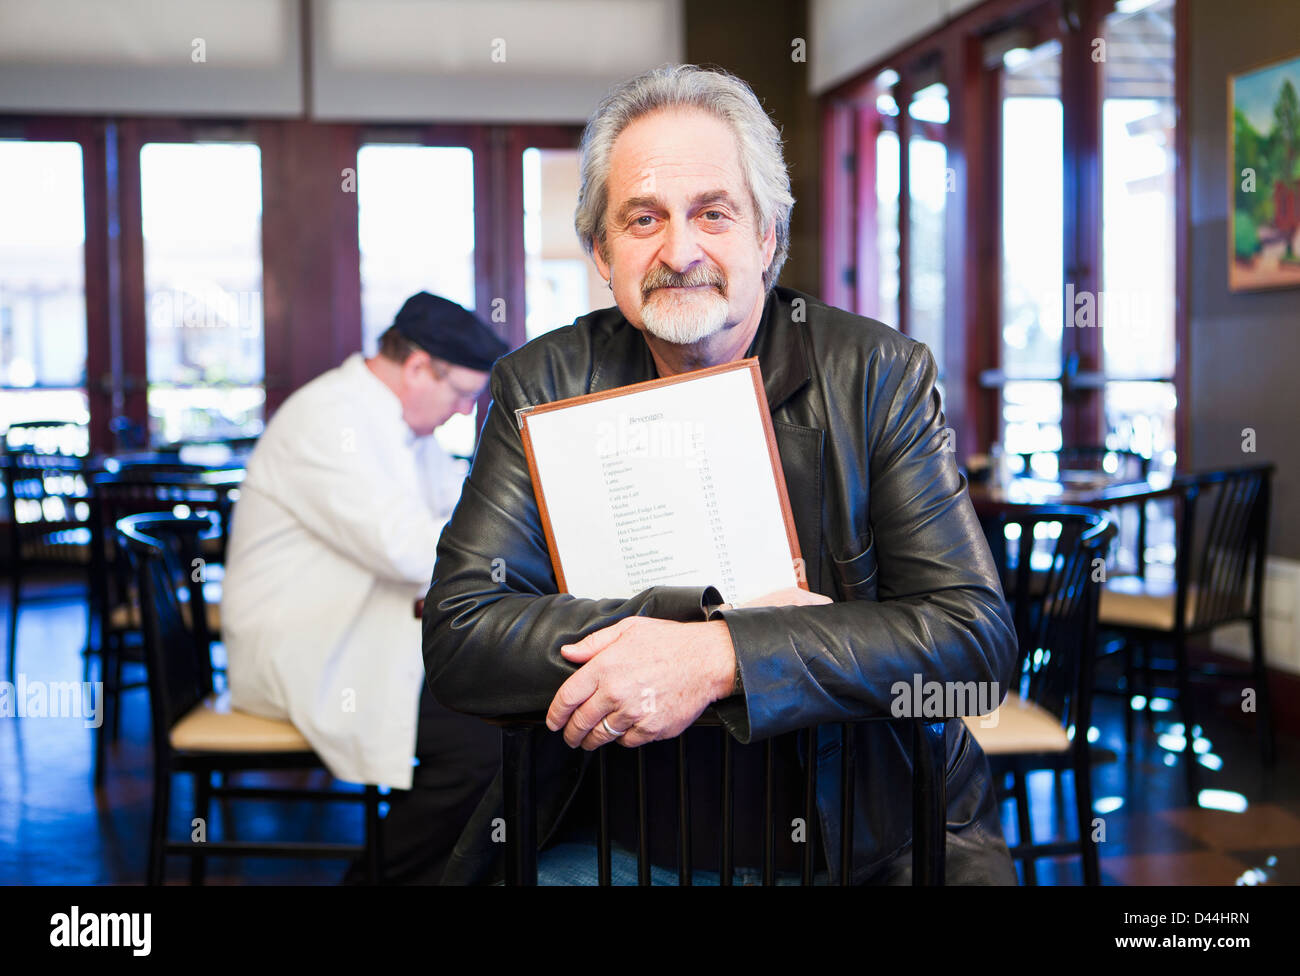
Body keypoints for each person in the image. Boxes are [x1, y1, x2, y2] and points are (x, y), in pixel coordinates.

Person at [422, 64, 1020, 884]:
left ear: (766, 237)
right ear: (601, 251)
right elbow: (460, 635)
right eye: (643, 219)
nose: (680, 250)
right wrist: (686, 626)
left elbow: (972, 645)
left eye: (713, 212)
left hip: (858, 834)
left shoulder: (876, 372)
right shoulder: (544, 381)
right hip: (615, 829)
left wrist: (723, 657)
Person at [223, 291, 507, 883]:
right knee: (482, 743)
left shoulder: (404, 429)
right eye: (459, 394)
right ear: (417, 366)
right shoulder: (329, 418)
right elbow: (407, 549)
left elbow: (455, 521)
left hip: (362, 633)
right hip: (306, 646)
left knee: (505, 714)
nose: (462, 412)